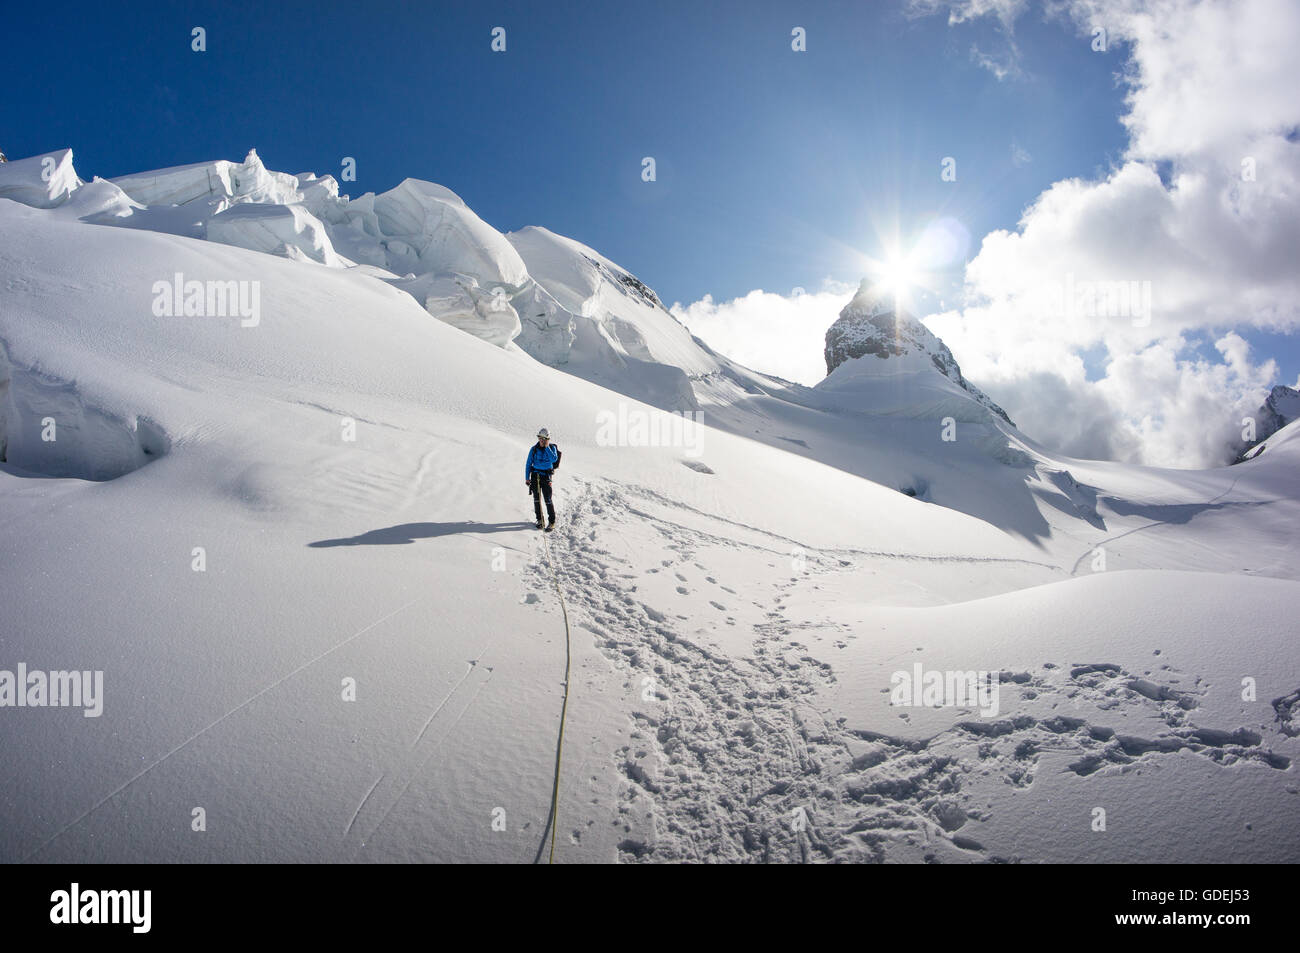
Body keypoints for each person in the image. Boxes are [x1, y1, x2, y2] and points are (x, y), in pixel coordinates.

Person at [525, 427, 560, 530]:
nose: (542, 440)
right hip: (535, 476)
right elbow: (528, 464)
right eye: (540, 438)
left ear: (548, 439)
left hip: (546, 477)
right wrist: (527, 478)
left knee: (548, 499)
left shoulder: (551, 448)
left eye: (545, 438)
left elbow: (554, 459)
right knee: (536, 499)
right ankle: (540, 520)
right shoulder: (534, 449)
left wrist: (547, 447)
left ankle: (552, 522)